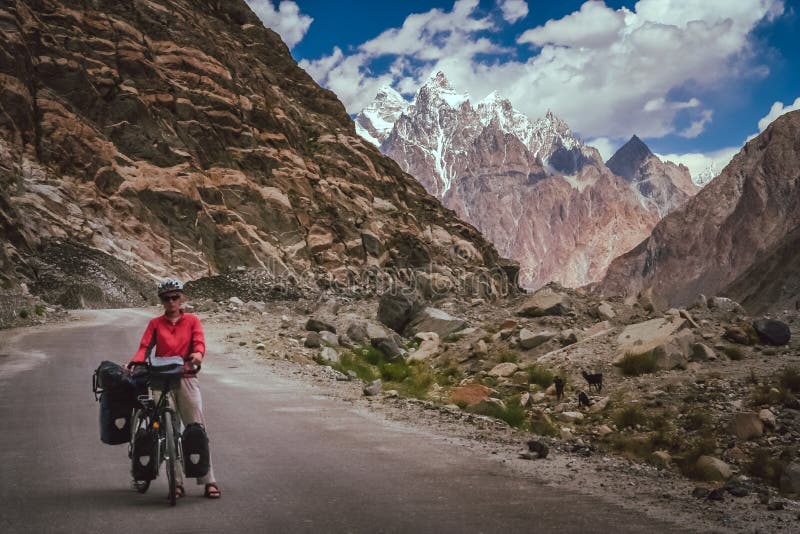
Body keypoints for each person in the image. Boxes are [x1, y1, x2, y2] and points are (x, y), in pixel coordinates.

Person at [129, 278, 221, 499]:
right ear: (161, 301)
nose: (171, 301)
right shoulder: (155, 324)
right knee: (166, 431)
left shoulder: (192, 320)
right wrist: (135, 361)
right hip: (160, 380)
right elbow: (144, 347)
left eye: (175, 297)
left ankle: (208, 480)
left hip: (186, 376)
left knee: (196, 428)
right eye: (166, 298)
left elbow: (199, 342)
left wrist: (197, 355)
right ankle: (176, 483)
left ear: (182, 298)